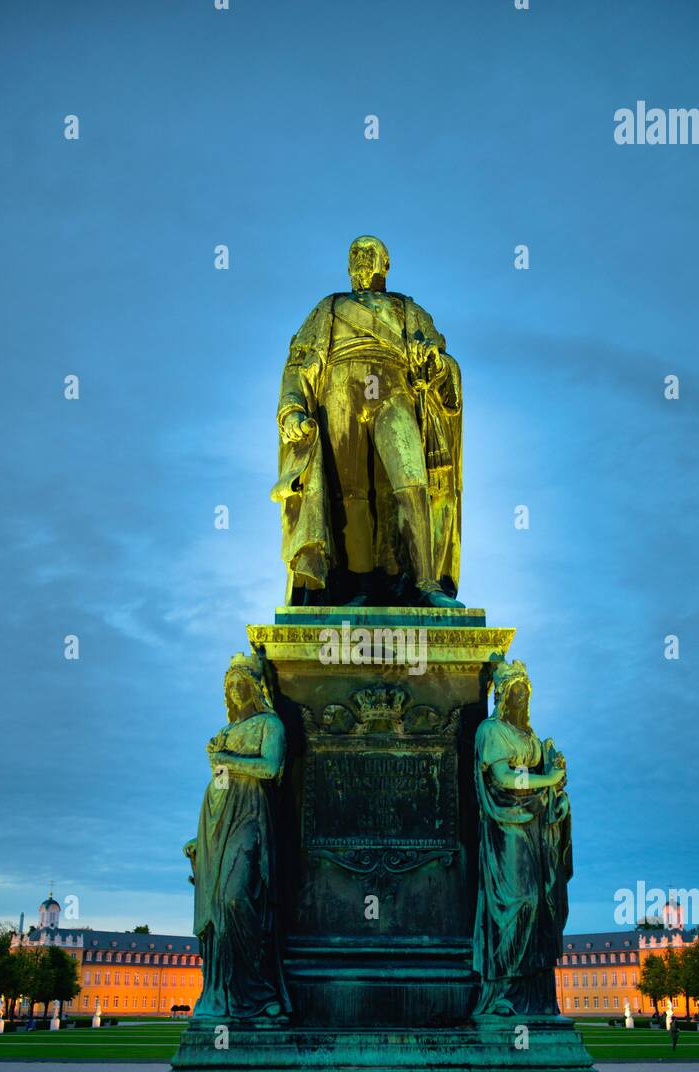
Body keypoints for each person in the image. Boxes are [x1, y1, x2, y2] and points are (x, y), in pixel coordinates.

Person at [272, 235, 464, 607]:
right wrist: (292, 406)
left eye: (369, 252)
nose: (361, 259)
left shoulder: (408, 309)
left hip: (392, 385)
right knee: (350, 493)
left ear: (385, 264)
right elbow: (301, 360)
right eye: (354, 254)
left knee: (412, 482)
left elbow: (437, 357)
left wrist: (436, 363)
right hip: (340, 386)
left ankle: (426, 584)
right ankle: (357, 587)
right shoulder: (329, 307)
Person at [185, 651, 291, 1022]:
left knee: (233, 899)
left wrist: (227, 760)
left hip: (249, 816)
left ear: (253, 686)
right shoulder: (226, 734)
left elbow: (270, 767)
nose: (234, 689)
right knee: (218, 909)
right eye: (229, 685)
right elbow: (218, 782)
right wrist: (203, 838)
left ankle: (257, 991)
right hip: (217, 821)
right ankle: (225, 992)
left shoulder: (270, 726)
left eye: (240, 683)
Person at [472, 660, 571, 1017]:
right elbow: (502, 778)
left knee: (540, 908)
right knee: (520, 904)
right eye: (515, 692)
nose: (522, 698)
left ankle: (535, 994)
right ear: (501, 695)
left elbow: (549, 784)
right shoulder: (491, 731)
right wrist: (548, 780)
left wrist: (558, 799)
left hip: (533, 831)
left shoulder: (531, 738)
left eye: (525, 692)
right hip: (507, 829)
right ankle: (504, 990)